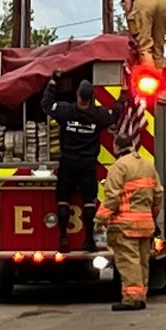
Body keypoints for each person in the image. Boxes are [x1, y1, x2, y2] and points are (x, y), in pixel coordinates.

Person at [44, 78, 112, 247]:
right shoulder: (99, 115)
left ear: (77, 94)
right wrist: (122, 100)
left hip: (68, 162)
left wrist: (52, 85)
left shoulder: (66, 111)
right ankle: (88, 239)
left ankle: (63, 238)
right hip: (88, 164)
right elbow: (114, 114)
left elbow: (46, 104)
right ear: (92, 97)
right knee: (89, 201)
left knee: (63, 200)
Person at [100, 129, 162, 311]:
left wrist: (99, 220)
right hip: (146, 222)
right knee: (142, 261)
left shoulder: (118, 167)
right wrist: (152, 216)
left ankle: (131, 299)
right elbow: (158, 195)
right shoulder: (147, 165)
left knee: (129, 262)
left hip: (125, 225)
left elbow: (112, 198)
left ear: (116, 147)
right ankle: (140, 296)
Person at [122, 0, 166, 69]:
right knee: (158, 44)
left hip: (145, 0)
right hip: (163, 1)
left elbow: (128, 3)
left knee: (144, 43)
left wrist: (130, 16)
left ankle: (149, 72)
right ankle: (158, 72)